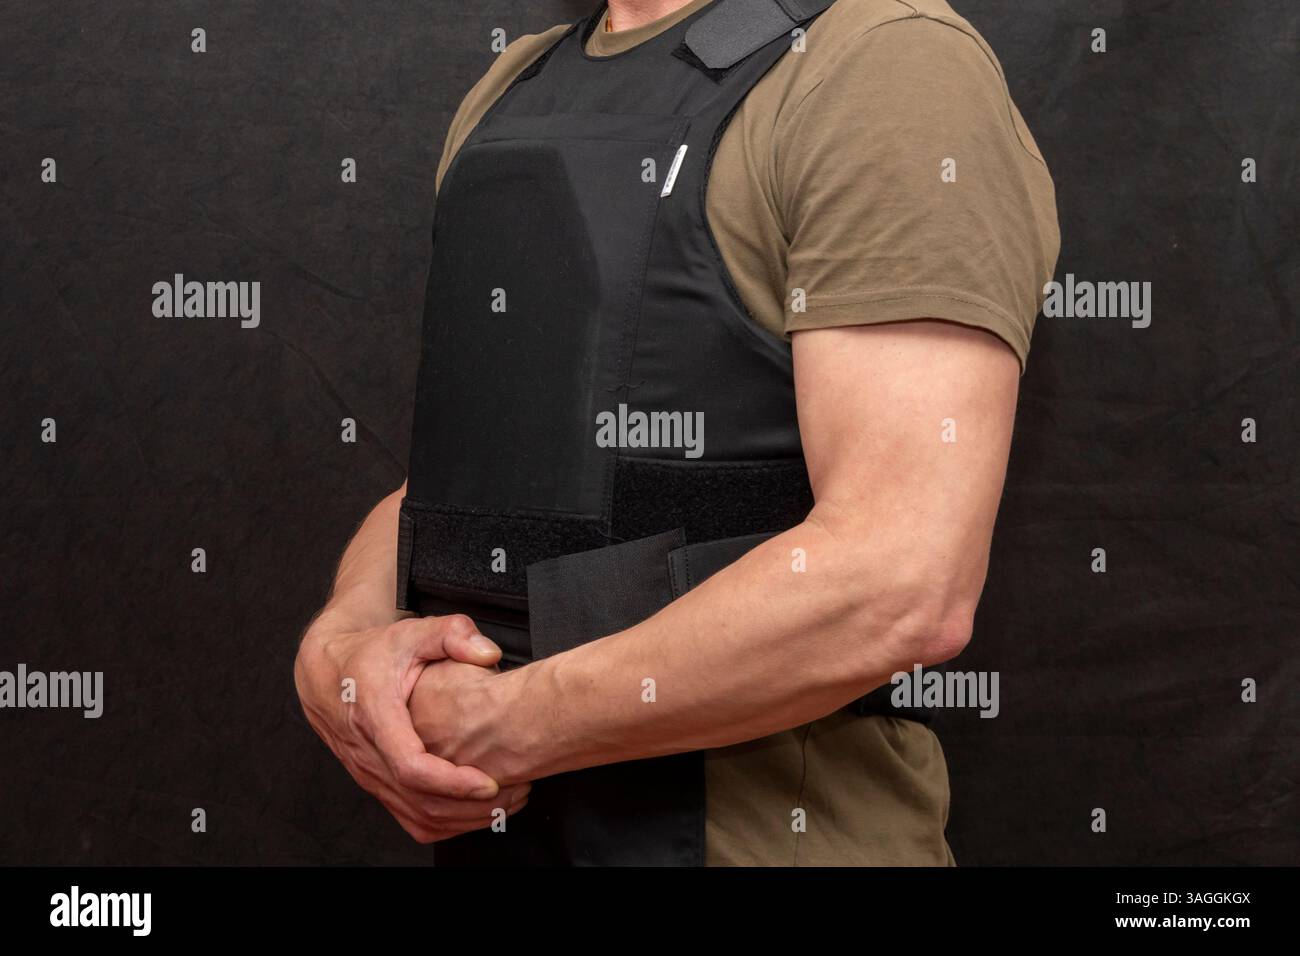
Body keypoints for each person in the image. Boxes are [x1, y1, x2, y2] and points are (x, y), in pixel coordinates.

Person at [294, 0, 1059, 866]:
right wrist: (338, 648)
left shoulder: (883, 66)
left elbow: (900, 578)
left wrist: (503, 723)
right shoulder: (511, 89)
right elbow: (456, 487)